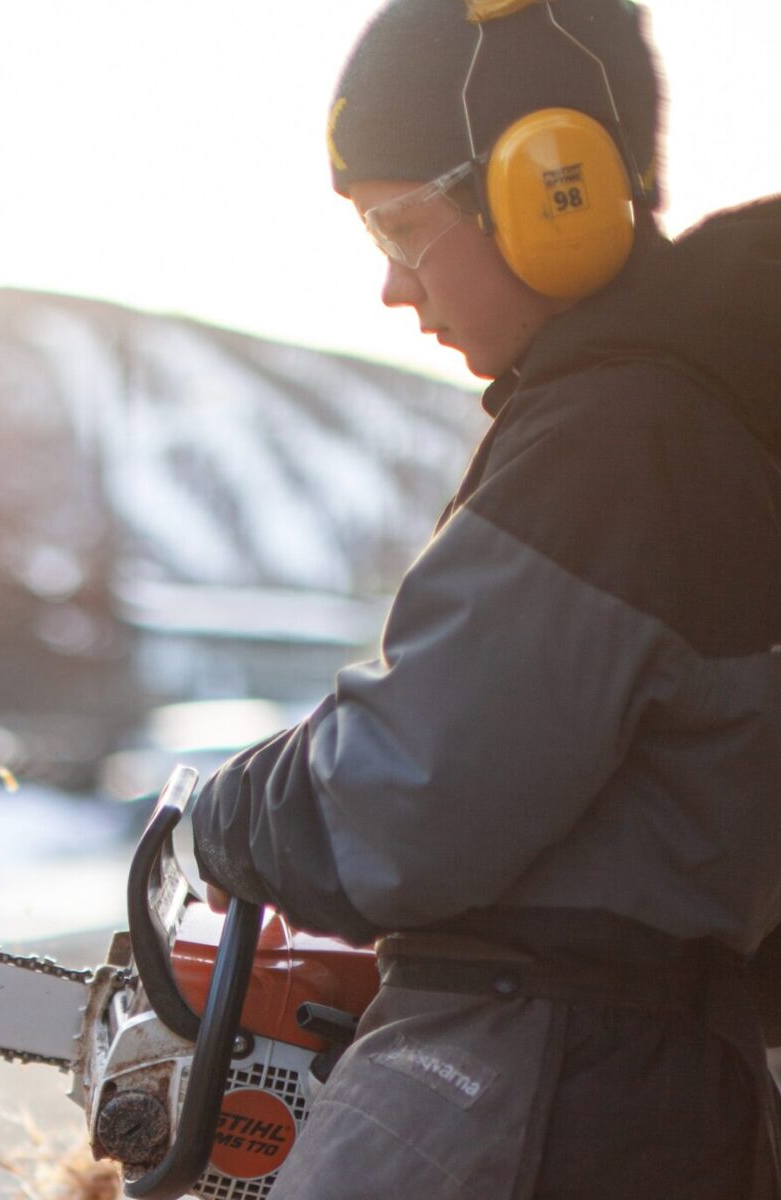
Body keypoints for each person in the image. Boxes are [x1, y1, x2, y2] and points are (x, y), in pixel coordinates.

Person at [189, 0, 781, 1196]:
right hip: (642, 1080)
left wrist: (225, 811)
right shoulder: (690, 412)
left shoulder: (617, 439)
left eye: (404, 226)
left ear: (550, 188)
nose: (393, 288)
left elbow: (406, 804)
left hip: (538, 1076)